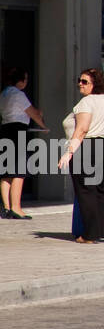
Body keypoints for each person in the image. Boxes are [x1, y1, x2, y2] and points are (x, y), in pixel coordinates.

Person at [58, 68, 104, 244]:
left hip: (89, 146)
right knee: (101, 187)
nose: (80, 84)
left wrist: (69, 152)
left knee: (86, 191)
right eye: (79, 80)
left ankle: (90, 234)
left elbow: (82, 129)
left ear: (95, 84)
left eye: (85, 81)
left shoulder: (86, 103)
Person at [1, 67, 48, 220]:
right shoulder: (18, 94)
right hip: (17, 131)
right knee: (19, 171)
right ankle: (17, 207)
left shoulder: (4, 93)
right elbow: (33, 113)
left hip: (5, 130)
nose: (26, 82)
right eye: (25, 79)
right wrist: (43, 125)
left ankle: (6, 207)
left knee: (6, 172)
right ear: (20, 81)